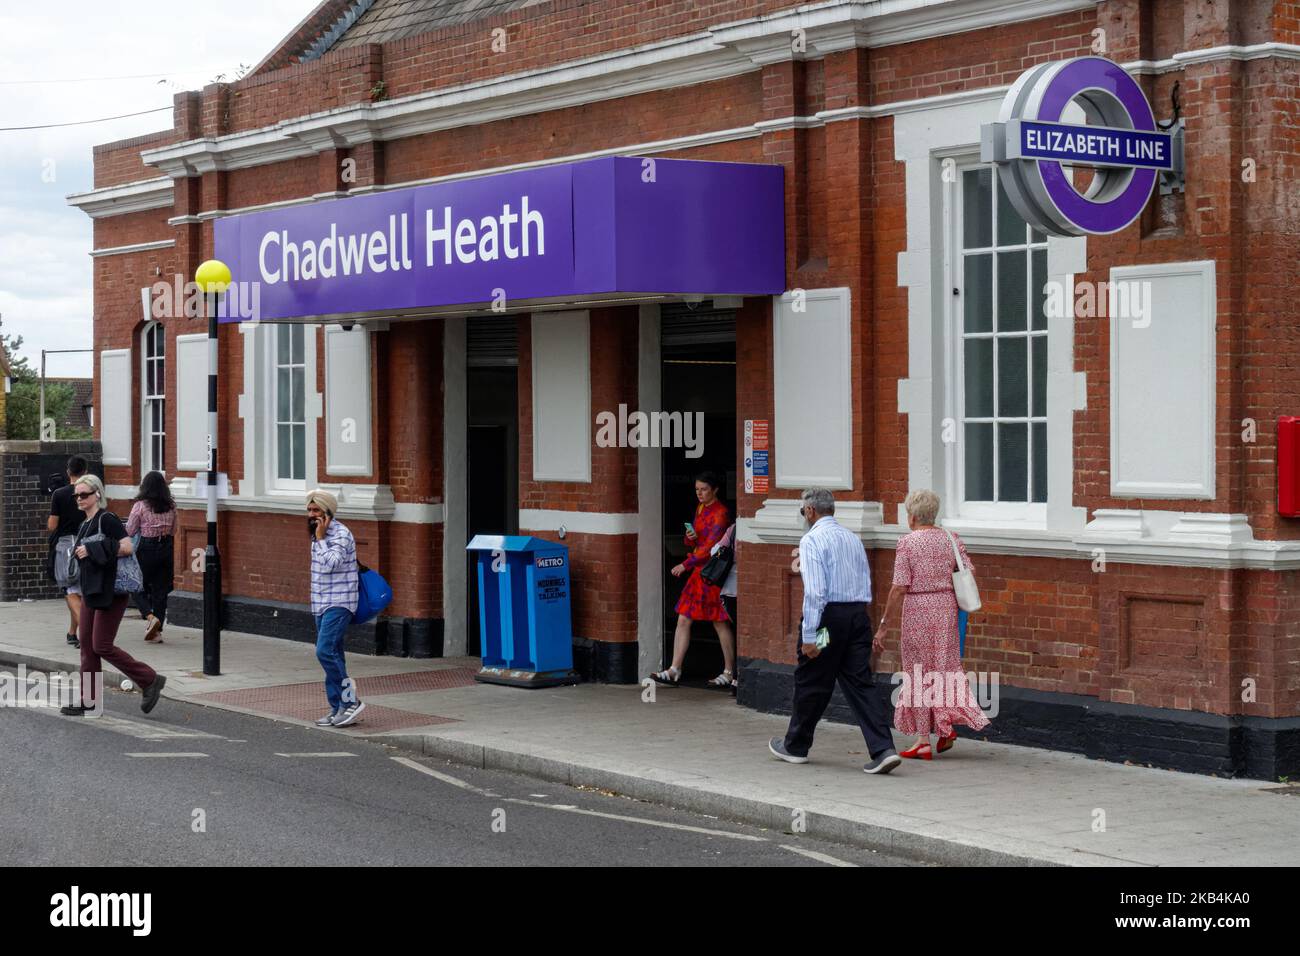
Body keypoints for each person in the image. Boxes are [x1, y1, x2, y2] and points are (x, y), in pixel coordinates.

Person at [768, 488, 901, 775]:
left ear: (811, 511)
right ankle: (883, 749)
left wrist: (809, 636)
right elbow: (865, 579)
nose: (804, 515)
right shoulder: (853, 538)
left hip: (828, 617)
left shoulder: (812, 539)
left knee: (811, 680)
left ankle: (795, 746)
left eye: (803, 511)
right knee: (860, 682)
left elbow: (815, 592)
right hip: (857, 615)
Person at [875, 489, 989, 759]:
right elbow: (968, 571)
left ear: (913, 517)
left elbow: (899, 588)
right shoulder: (951, 539)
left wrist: (884, 623)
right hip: (946, 609)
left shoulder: (907, 543)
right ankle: (945, 723)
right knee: (945, 667)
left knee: (917, 673)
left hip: (917, 609)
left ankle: (924, 739)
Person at [59, 475, 166, 717]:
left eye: (84, 494)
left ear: (97, 494)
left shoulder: (107, 519)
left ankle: (149, 679)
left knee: (101, 645)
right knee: (86, 645)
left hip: (112, 590)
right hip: (92, 589)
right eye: (77, 495)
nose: (79, 499)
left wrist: (93, 548)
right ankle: (89, 701)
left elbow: (127, 546)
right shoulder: (84, 524)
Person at [649, 471, 736, 689]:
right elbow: (697, 543)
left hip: (711, 574)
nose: (699, 493)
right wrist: (690, 539)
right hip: (699, 574)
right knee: (683, 618)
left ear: (715, 489)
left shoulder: (721, 514)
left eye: (704, 489)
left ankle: (728, 671)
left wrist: (684, 564)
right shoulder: (700, 508)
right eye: (697, 489)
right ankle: (674, 669)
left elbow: (711, 549)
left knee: (719, 620)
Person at [307, 489, 365, 728]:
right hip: (321, 602)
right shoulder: (318, 534)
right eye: (309, 510)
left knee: (324, 651)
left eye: (316, 510)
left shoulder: (340, 533)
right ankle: (337, 707)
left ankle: (351, 702)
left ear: (327, 512)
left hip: (339, 602)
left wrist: (321, 539)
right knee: (334, 655)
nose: (311, 515)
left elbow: (332, 564)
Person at [126, 471, 177, 643]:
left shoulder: (140, 506)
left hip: (146, 549)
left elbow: (130, 530)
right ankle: (157, 631)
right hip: (166, 548)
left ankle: (150, 617)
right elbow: (174, 530)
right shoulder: (171, 506)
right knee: (160, 591)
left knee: (136, 585)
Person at [47, 455, 88, 648]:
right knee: (79, 591)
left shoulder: (60, 494)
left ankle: (87, 634)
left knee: (69, 590)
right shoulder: (91, 492)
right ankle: (73, 633)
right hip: (88, 543)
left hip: (66, 545)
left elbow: (52, 525)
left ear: (68, 472)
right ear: (85, 472)